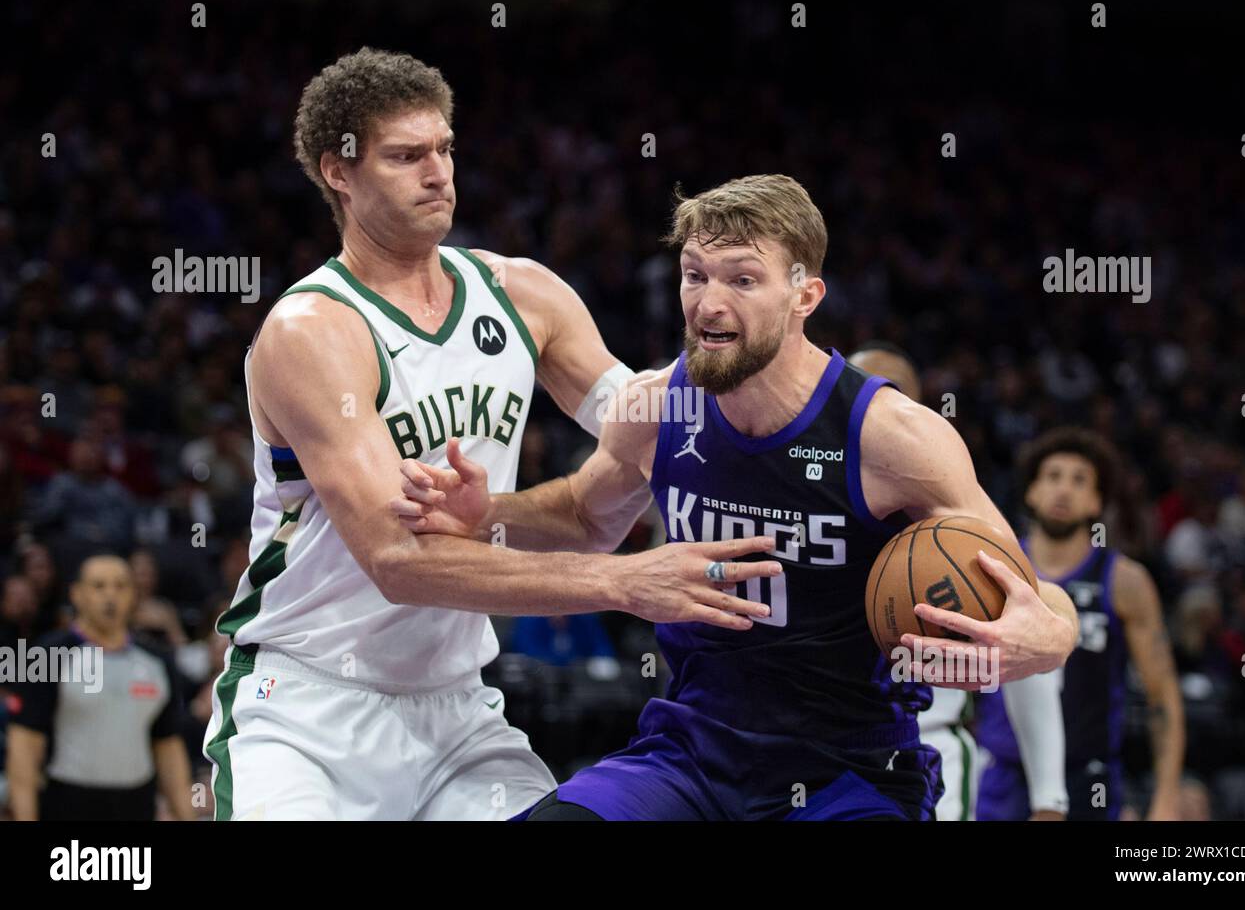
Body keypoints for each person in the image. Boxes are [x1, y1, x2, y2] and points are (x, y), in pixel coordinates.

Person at [202, 48, 774, 821]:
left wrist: (741, 362)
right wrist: (625, 581)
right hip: (307, 707)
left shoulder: (522, 292)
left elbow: (634, 421)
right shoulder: (312, 331)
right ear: (340, 173)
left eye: (443, 149)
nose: (437, 173)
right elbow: (399, 560)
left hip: (456, 710)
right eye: (406, 157)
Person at [396, 173, 1078, 820]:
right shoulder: (658, 404)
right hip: (691, 754)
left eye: (743, 279)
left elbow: (1040, 599)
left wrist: (1040, 639)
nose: (708, 302)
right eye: (695, 275)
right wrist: (489, 516)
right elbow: (583, 513)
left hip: (851, 770)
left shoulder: (891, 435)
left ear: (804, 295)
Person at [850, 344, 1068, 822]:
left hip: (928, 749)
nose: (868, 410)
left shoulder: (954, 525)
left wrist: (1050, 797)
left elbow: (1025, 633)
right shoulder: (807, 495)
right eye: (852, 393)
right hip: (810, 755)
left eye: (888, 397)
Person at [977, 427, 1185, 820]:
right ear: (1030, 492)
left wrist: (1167, 799)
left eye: (1079, 480)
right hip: (1002, 772)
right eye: (1053, 476)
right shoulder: (991, 567)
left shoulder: (1125, 580)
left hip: (1088, 776)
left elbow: (1162, 697)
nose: (1064, 489)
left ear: (1096, 503)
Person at [6, 555, 194, 821]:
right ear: (77, 594)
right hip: (67, 802)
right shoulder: (47, 656)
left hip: (136, 804)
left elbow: (169, 749)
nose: (110, 596)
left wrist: (185, 815)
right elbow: (24, 751)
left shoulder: (158, 661)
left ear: (133, 595)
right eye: (99, 586)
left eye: (120, 586)